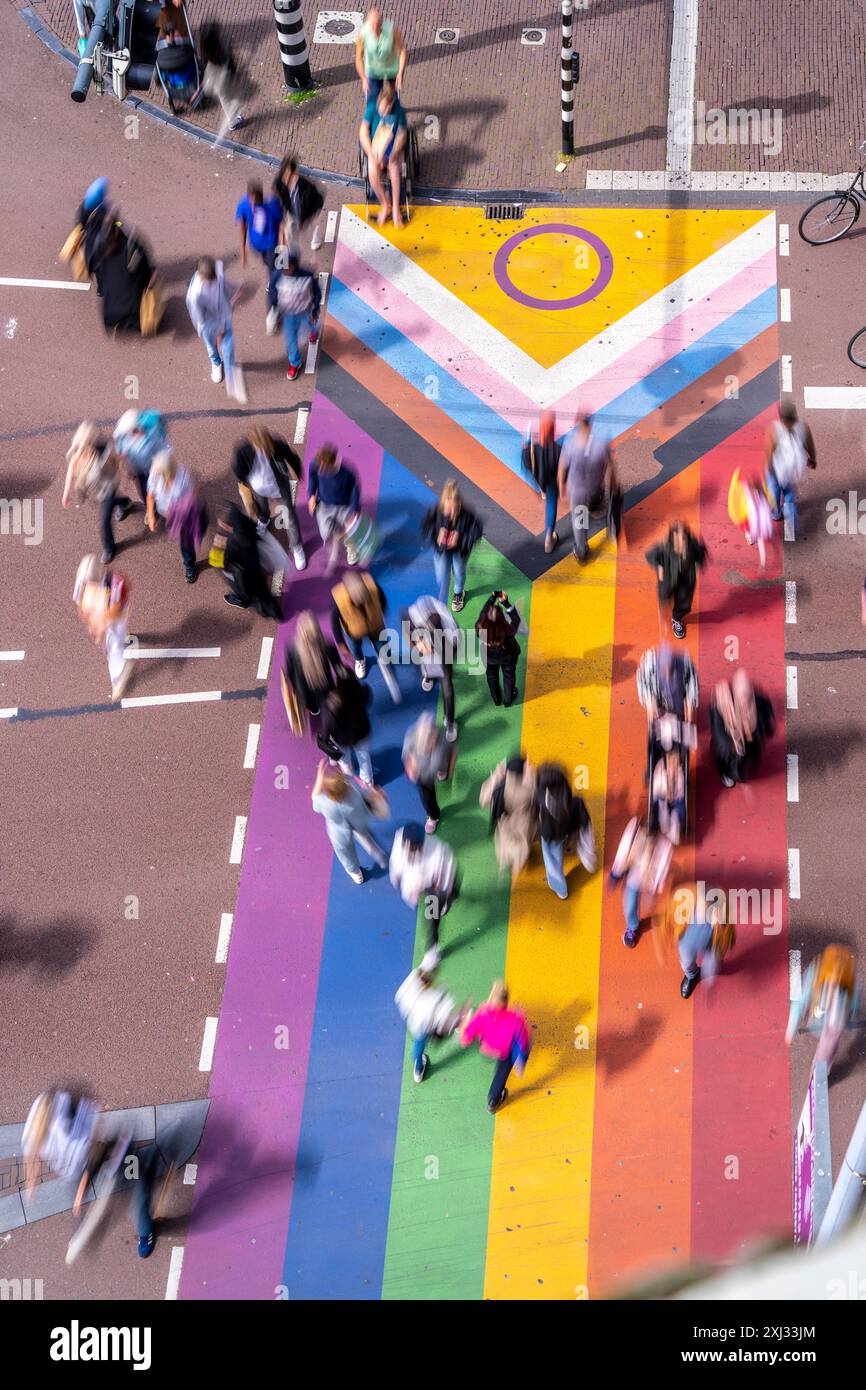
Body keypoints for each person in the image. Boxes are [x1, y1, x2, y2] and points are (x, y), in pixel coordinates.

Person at [233, 427, 306, 572]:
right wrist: (244, 482)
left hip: (278, 487)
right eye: (262, 449)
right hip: (258, 488)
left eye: (267, 448)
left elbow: (292, 457)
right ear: (254, 444)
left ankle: (297, 547)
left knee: (289, 516)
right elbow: (238, 468)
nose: (266, 451)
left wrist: (298, 472)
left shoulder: (277, 445)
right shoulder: (243, 451)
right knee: (261, 507)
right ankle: (264, 520)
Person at [389, 822, 459, 970]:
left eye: (414, 847)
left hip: (436, 886)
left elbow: (448, 873)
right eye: (407, 846)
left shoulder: (439, 851)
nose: (409, 850)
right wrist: (395, 877)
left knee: (432, 916)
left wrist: (443, 894)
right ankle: (432, 951)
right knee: (432, 914)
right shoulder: (399, 840)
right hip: (420, 884)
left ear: (422, 844)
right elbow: (395, 861)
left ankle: (431, 953)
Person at [63, 422, 133, 564]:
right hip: (93, 489)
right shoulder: (76, 450)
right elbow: (71, 469)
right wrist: (66, 492)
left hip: (106, 489)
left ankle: (109, 548)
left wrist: (123, 471)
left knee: (103, 522)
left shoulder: (104, 450)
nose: (79, 448)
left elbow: (117, 460)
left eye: (83, 445)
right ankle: (124, 502)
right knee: (110, 502)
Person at [460, 981, 532, 1114]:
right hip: (505, 1050)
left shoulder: (482, 1014)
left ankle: (493, 1102)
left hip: (487, 1048)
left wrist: (465, 1019)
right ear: (506, 1002)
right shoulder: (515, 1018)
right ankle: (519, 1063)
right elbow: (523, 1040)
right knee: (506, 1066)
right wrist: (523, 1017)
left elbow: (465, 1040)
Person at [311, 759, 387, 885]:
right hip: (358, 821)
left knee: (346, 853)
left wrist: (319, 776)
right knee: (366, 837)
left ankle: (356, 874)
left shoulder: (324, 802)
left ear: (328, 792)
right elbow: (364, 793)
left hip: (340, 833)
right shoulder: (352, 788)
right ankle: (379, 856)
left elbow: (314, 797)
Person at [786, 945, 859, 1074]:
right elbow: (854, 999)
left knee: (826, 1049)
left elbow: (800, 1002)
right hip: (835, 1020)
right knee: (829, 1046)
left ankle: (818, 1073)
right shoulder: (847, 977)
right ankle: (822, 1069)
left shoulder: (818, 973)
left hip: (832, 1021)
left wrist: (790, 1029)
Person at [330, 569, 400, 700]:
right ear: (350, 595)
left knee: (384, 649)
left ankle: (387, 664)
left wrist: (383, 611)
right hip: (353, 631)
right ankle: (360, 660)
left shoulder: (373, 587)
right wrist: (340, 643)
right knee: (355, 648)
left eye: (364, 599)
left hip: (375, 626)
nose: (362, 602)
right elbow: (334, 622)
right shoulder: (338, 601)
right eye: (358, 601)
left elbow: (382, 597)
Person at [557, 413, 618, 563]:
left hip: (577, 491)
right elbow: (611, 468)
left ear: (578, 425)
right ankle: (611, 529)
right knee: (591, 507)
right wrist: (612, 485)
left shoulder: (570, 444)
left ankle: (581, 550)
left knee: (580, 521)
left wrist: (561, 488)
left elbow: (562, 468)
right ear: (590, 425)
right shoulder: (601, 444)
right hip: (593, 487)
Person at [73, 554, 134, 700]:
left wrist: (100, 627)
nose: (88, 585)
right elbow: (80, 604)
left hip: (114, 616)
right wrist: (91, 622)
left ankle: (119, 679)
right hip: (101, 614)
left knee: (113, 646)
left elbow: (117, 609)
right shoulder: (83, 583)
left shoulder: (114, 583)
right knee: (115, 639)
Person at [186, 256, 246, 402]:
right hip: (208, 324)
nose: (213, 282)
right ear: (200, 276)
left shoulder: (216, 273)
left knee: (229, 345)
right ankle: (216, 363)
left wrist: (235, 291)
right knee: (211, 346)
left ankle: (231, 376)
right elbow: (199, 318)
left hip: (224, 315)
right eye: (210, 280)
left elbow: (224, 282)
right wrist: (216, 330)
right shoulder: (195, 295)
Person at [23, 1088, 100, 1199]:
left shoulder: (68, 1136)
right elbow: (32, 1156)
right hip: (74, 1164)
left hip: (80, 1163)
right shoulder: (40, 1133)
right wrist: (30, 1186)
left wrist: (81, 1190)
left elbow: (92, 1152)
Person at [534, 762, 596, 900]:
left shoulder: (540, 798)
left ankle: (561, 889)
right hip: (567, 829)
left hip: (550, 835)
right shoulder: (572, 799)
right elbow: (582, 817)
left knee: (552, 859)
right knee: (561, 846)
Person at [395, 964, 466, 1084]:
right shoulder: (434, 998)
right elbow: (443, 1019)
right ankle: (459, 1025)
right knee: (451, 1019)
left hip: (416, 1026)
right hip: (429, 1025)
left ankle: (418, 1070)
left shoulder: (411, 981)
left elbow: (398, 997)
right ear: (428, 983)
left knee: (418, 1046)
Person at [609, 816, 673, 949]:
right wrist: (617, 871)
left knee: (647, 904)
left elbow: (663, 867)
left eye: (651, 840)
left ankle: (634, 922)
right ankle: (632, 927)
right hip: (634, 876)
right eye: (645, 834)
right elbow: (624, 848)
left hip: (649, 879)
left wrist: (654, 886)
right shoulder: (634, 830)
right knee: (630, 905)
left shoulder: (665, 846)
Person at [421, 480, 482, 614]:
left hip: (460, 551)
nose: (451, 512)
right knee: (441, 575)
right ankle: (453, 587)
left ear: (459, 504)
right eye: (448, 508)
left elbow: (476, 533)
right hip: (441, 549)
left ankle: (459, 593)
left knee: (459, 571)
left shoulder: (467, 515)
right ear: (443, 503)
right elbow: (426, 527)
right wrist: (437, 535)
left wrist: (460, 538)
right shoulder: (435, 511)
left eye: (455, 508)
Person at [88, 213, 155, 334]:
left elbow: (96, 270)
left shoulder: (99, 249)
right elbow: (145, 269)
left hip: (110, 311)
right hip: (131, 306)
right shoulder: (131, 247)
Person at [212, 504, 282, 617]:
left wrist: (218, 547)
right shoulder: (240, 520)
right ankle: (272, 607)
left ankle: (268, 611)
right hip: (256, 565)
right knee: (262, 590)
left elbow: (223, 563)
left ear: (225, 525)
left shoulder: (232, 543)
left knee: (256, 597)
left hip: (246, 575)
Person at [709, 668, 775, 788]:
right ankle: (728, 774)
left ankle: (743, 773)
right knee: (727, 765)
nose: (745, 701)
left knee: (749, 763)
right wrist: (733, 744)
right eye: (742, 697)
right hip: (729, 748)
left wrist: (766, 729)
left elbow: (767, 716)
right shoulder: (723, 703)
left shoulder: (758, 701)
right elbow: (717, 730)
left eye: (747, 696)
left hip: (752, 744)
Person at [408, 594, 459, 742]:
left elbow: (454, 648)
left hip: (445, 651)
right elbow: (407, 621)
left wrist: (441, 655)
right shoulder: (415, 613)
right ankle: (428, 676)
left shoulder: (451, 629)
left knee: (447, 688)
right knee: (421, 662)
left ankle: (449, 721)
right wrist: (417, 643)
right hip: (425, 647)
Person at [645, 521, 708, 640]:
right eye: (677, 538)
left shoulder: (693, 545)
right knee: (664, 597)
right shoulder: (664, 547)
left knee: (684, 600)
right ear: (672, 538)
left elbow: (702, 553)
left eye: (683, 538)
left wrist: (698, 565)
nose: (680, 542)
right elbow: (650, 555)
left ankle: (677, 619)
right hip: (668, 576)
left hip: (686, 577)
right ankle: (663, 617)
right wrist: (659, 567)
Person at [146, 450, 201, 582]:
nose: (157, 474)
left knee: (185, 540)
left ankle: (189, 565)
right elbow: (151, 495)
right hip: (166, 512)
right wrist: (151, 516)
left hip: (182, 513)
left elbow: (192, 496)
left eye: (160, 473)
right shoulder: (155, 473)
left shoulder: (182, 477)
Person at [359, 80, 408, 228]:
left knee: (394, 168)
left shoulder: (399, 111)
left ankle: (395, 208)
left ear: (392, 103)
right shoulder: (372, 108)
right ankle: (385, 203)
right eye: (383, 107)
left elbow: (402, 135)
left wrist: (394, 152)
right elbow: (363, 132)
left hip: (393, 149)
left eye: (387, 107)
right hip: (376, 148)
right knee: (372, 172)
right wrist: (372, 154)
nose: (385, 111)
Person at [267, 249, 321, 381]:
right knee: (290, 342)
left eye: (287, 265)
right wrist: (274, 313)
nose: (284, 269)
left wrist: (314, 311)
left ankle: (313, 332)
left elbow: (317, 294)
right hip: (288, 315)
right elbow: (272, 296)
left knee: (312, 326)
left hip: (305, 312)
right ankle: (295, 363)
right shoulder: (276, 276)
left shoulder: (307, 276)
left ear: (294, 264)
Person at [479, 756, 538, 879]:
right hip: (524, 823)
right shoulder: (527, 789)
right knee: (522, 845)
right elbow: (538, 795)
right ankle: (518, 865)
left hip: (504, 822)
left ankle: (505, 862)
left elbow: (483, 800)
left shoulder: (499, 788)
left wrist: (495, 776)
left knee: (505, 842)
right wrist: (530, 775)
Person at [764, 400, 817, 535]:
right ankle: (790, 520)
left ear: (781, 418)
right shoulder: (803, 428)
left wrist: (769, 469)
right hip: (792, 472)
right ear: (795, 416)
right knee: (789, 495)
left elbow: (769, 453)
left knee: (774, 493)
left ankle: (776, 514)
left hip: (776, 471)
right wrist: (812, 459)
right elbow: (810, 446)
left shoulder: (774, 430)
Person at [402, 710, 456, 834]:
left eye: (427, 744)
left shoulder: (443, 740)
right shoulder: (411, 736)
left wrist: (450, 769)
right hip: (423, 774)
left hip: (438, 764)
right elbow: (408, 756)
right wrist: (411, 769)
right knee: (427, 796)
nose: (424, 748)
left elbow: (453, 752)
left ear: (434, 737)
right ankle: (434, 816)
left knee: (443, 766)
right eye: (421, 743)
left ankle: (441, 771)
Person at [308, 445, 361, 569]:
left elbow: (354, 489)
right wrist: (311, 495)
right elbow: (312, 477)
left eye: (323, 467)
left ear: (331, 464)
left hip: (344, 505)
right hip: (325, 504)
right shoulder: (316, 463)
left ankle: (351, 545)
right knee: (325, 534)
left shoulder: (346, 472)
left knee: (352, 527)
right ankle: (339, 535)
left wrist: (355, 509)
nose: (320, 469)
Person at [284, 610, 344, 718]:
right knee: (327, 702)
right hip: (324, 682)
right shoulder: (327, 645)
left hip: (304, 687)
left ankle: (314, 710)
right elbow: (337, 665)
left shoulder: (292, 649)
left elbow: (290, 669)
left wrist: (290, 683)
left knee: (310, 703)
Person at [321, 666, 375, 785]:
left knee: (345, 759)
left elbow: (327, 730)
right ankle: (367, 780)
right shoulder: (363, 692)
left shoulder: (331, 707)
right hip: (361, 733)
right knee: (363, 757)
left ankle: (348, 776)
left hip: (342, 739)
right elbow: (367, 698)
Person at [114, 409, 169, 510]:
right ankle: (151, 508)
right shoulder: (122, 435)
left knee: (157, 489)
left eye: (136, 430)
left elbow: (164, 448)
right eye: (132, 432)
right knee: (143, 492)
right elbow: (120, 450)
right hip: (137, 469)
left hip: (153, 468)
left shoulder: (152, 433)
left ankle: (156, 508)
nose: (136, 433)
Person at [522, 411, 561, 553]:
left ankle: (541, 489)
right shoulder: (558, 450)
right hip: (551, 481)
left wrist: (527, 442)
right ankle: (549, 536)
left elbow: (526, 464)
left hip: (539, 478)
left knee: (542, 488)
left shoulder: (531, 451)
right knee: (551, 504)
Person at [199, 21, 244, 141]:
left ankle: (232, 121)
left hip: (215, 81)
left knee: (225, 99)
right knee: (233, 98)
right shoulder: (220, 52)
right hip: (224, 80)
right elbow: (229, 64)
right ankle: (232, 121)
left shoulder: (204, 51)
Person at [475, 590, 521, 707]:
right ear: (502, 620)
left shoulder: (480, 627)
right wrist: (506, 603)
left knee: (491, 675)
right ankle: (508, 700)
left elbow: (484, 611)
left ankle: (496, 699)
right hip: (508, 656)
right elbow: (516, 619)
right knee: (509, 676)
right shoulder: (508, 631)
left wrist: (493, 597)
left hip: (489, 657)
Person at [637, 642, 698, 726]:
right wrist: (650, 705)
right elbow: (644, 688)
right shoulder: (648, 667)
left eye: (669, 669)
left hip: (678, 694)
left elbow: (692, 688)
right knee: (655, 714)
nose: (666, 673)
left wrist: (689, 717)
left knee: (681, 719)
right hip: (658, 694)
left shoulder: (685, 664)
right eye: (663, 669)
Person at [273, 156, 325, 254]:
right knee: (288, 234)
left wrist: (307, 218)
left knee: (311, 227)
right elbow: (279, 199)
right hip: (291, 212)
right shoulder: (279, 184)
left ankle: (316, 235)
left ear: (294, 173)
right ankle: (289, 254)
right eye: (284, 174)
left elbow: (319, 200)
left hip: (307, 213)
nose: (285, 178)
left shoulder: (306, 187)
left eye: (288, 174)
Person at [355, 8, 408, 102]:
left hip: (392, 70)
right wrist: (363, 78)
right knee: (372, 101)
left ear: (382, 23)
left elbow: (402, 51)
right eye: (372, 25)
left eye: (378, 24)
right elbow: (358, 58)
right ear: (368, 23)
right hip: (373, 72)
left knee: (393, 101)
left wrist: (400, 73)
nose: (375, 28)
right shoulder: (363, 34)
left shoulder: (392, 30)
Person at [728, 467, 774, 567]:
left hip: (749, 519)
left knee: (751, 533)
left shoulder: (750, 493)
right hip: (750, 519)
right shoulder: (759, 496)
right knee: (753, 533)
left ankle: (751, 538)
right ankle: (751, 538)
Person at [236, 181, 283, 277]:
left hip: (271, 244)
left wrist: (283, 246)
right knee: (268, 262)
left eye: (255, 199)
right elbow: (242, 229)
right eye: (251, 199)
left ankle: (273, 284)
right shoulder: (243, 205)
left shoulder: (272, 205)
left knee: (274, 267)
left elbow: (281, 227)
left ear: (261, 197)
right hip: (256, 245)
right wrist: (243, 251)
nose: (253, 202)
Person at [650, 749, 686, 844]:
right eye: (672, 762)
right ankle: (663, 820)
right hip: (661, 795)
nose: (674, 765)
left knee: (680, 808)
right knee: (659, 805)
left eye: (676, 763)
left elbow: (681, 791)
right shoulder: (660, 769)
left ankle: (675, 821)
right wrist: (666, 793)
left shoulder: (679, 772)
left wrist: (674, 794)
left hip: (674, 797)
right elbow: (655, 788)